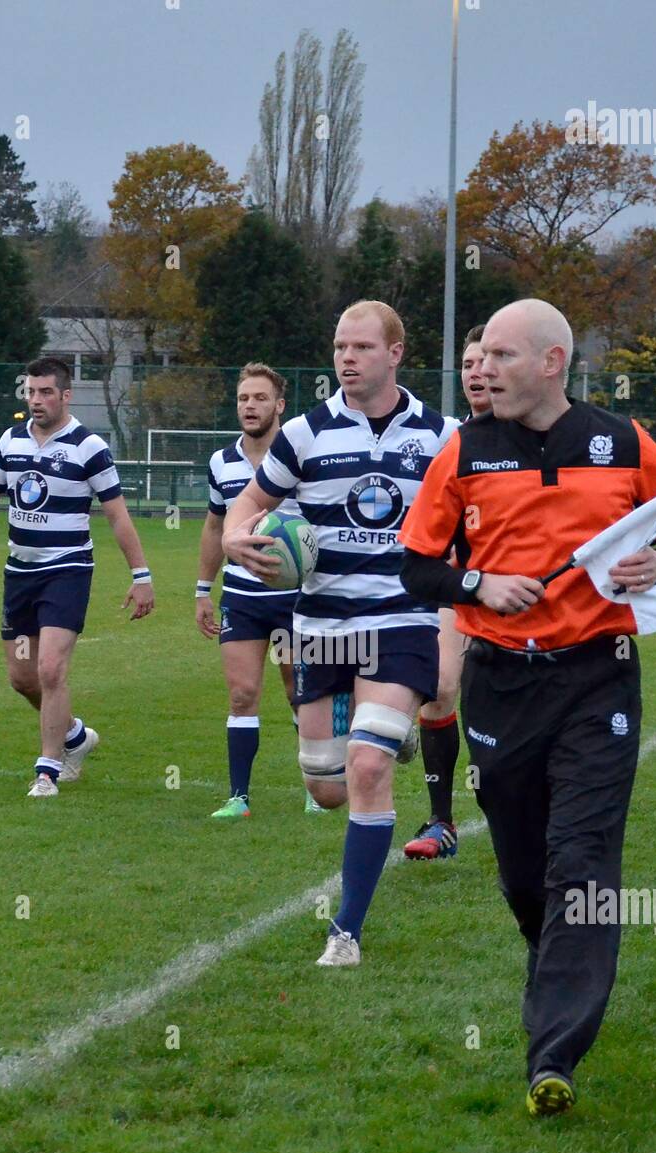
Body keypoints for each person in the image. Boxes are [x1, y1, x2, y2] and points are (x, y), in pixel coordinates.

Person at [399, 298, 656, 1117]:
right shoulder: (463, 449)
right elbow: (416, 565)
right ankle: (556, 954)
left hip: (597, 680)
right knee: (524, 869)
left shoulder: (622, 440)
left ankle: (554, 1054)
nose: (481, 369)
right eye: (481, 357)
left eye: (499, 356)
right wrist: (477, 585)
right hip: (499, 682)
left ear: (550, 363)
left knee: (581, 860)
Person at [222, 300, 458, 966]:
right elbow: (251, 503)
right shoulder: (304, 433)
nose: (346, 359)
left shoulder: (442, 437)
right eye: (338, 348)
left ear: (394, 353)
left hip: (400, 618)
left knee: (366, 769)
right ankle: (386, 728)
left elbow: (476, 519)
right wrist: (240, 538)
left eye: (359, 347)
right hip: (320, 626)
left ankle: (346, 931)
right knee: (325, 789)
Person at [0, 355, 155, 796]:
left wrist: (141, 575)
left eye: (45, 392)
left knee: (51, 668)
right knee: (22, 678)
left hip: (67, 571)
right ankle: (75, 736)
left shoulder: (88, 447)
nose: (36, 400)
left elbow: (117, 516)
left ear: (65, 395)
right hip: (19, 573)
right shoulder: (10, 442)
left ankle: (48, 770)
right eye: (30, 391)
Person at [196, 363, 321, 817]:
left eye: (260, 398)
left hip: (295, 598)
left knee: (299, 692)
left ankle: (316, 787)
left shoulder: (298, 458)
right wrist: (202, 589)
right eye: (244, 399)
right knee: (241, 694)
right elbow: (213, 528)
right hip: (243, 597)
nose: (250, 406)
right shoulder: (221, 462)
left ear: (279, 406)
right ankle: (239, 798)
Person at [404, 324, 489, 861]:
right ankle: (441, 821)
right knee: (439, 688)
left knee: (502, 709)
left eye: (488, 361)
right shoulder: (448, 440)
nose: (477, 372)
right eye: (468, 362)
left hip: (528, 596)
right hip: (457, 588)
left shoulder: (540, 436)